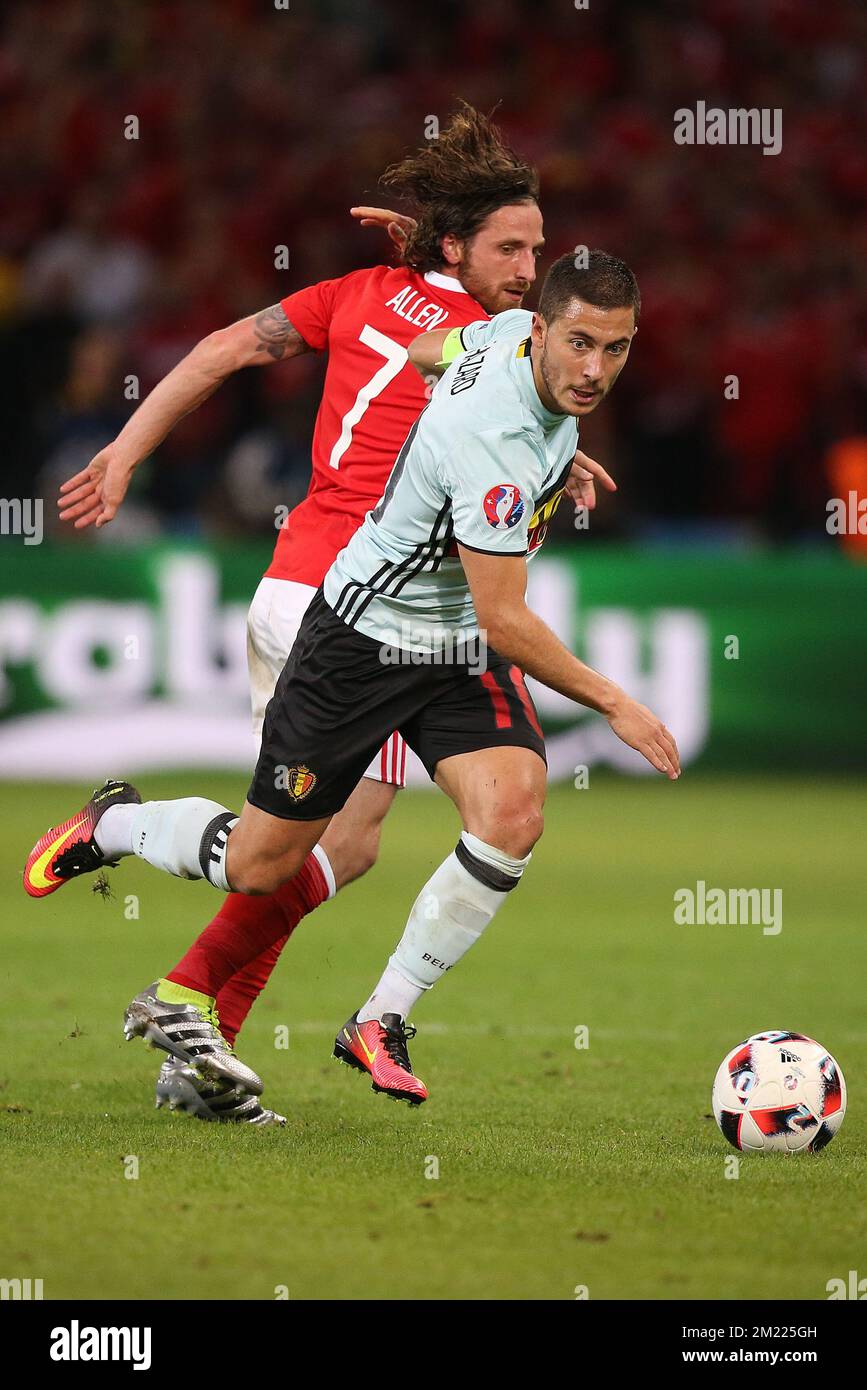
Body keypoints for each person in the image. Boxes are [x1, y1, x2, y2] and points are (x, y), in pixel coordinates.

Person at [28, 106, 608, 1124]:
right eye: (510, 248)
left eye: (538, 250)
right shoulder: (494, 344)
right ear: (457, 245)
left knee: (299, 844)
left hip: (288, 591)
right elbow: (506, 376)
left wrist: (125, 451)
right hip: (357, 610)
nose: (529, 269)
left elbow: (217, 351)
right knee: (327, 844)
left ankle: (195, 1050)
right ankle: (135, 869)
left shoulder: (356, 293)